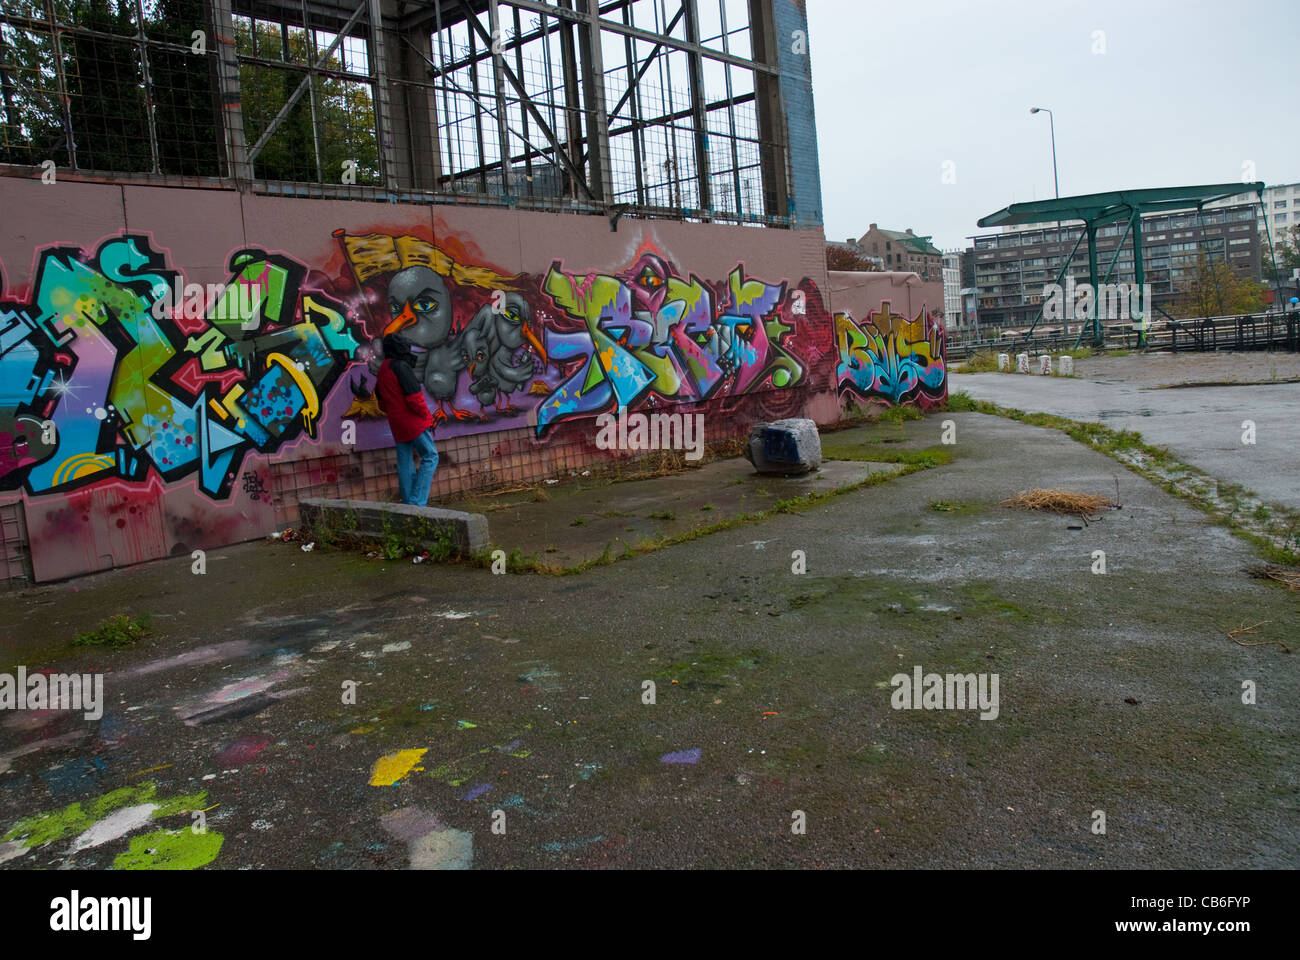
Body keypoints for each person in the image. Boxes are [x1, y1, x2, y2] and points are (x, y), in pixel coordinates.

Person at [373, 333, 438, 506]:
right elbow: (415, 398)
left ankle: (409, 504)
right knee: (431, 457)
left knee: (405, 462)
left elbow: (380, 401)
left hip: (396, 423)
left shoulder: (383, 369)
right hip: (414, 421)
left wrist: (394, 411)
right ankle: (417, 503)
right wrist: (428, 418)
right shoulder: (401, 366)